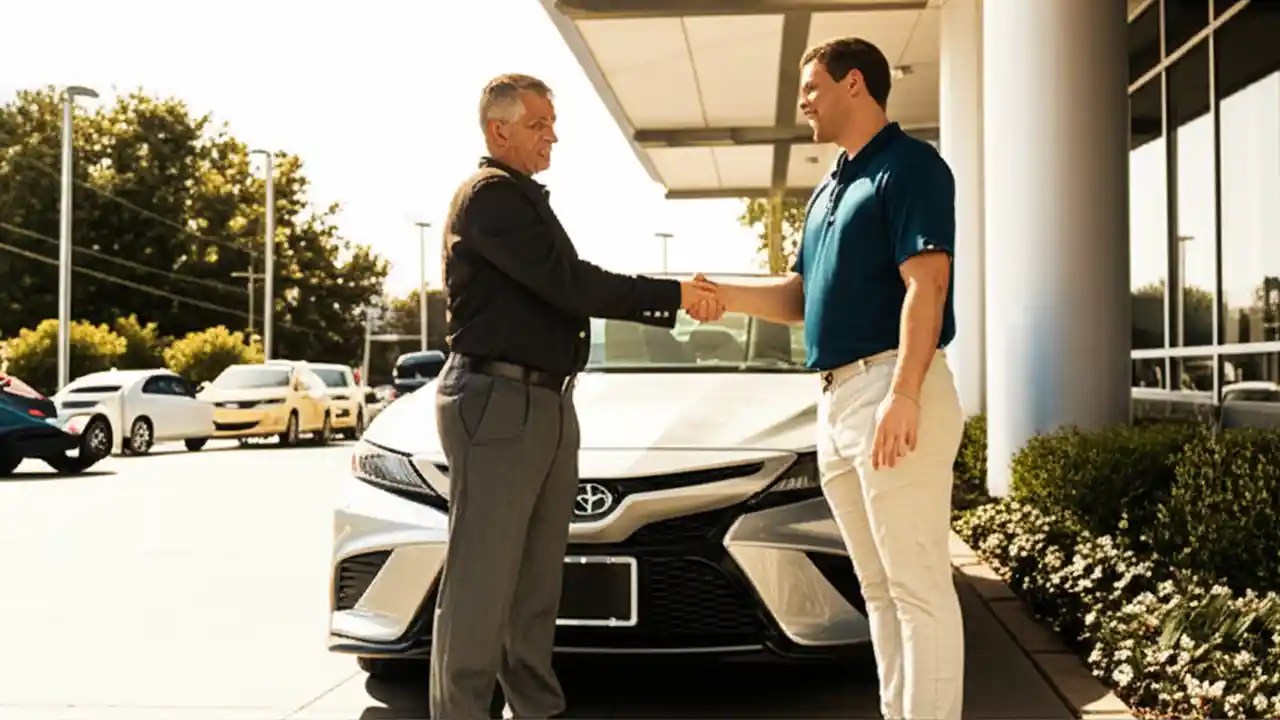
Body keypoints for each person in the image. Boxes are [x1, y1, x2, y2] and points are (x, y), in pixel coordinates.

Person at [690, 37, 965, 720]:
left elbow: (926, 286)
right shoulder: (830, 186)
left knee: (918, 585)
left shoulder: (910, 168)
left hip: (893, 389)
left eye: (811, 87)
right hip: (838, 399)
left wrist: (904, 392)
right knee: (877, 588)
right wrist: (721, 292)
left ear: (853, 84)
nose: (803, 101)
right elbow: (800, 296)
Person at [429, 72, 716, 720]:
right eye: (539, 124)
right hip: (497, 404)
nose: (552, 134)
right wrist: (672, 294)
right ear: (498, 130)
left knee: (534, 586)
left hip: (547, 405)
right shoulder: (489, 198)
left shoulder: (524, 199)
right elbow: (569, 283)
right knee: (481, 584)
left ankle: (537, 710)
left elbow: (561, 289)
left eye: (551, 123)